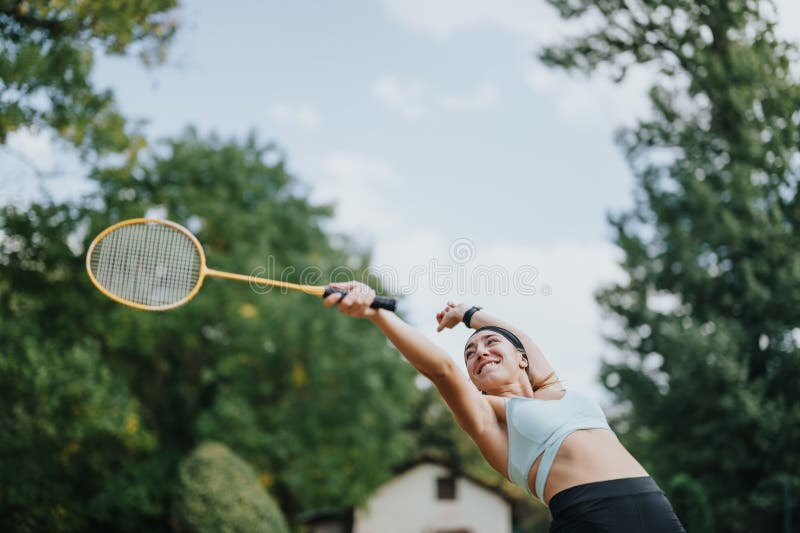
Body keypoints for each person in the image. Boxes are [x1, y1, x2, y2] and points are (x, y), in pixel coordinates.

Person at [324, 281, 685, 532]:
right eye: (470, 353)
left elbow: (521, 337)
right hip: (590, 517)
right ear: (474, 380)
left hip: (653, 504)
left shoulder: (553, 388)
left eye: (491, 343)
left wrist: (467, 313)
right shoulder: (490, 419)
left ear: (522, 360)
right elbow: (441, 369)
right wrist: (376, 313)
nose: (480, 352)